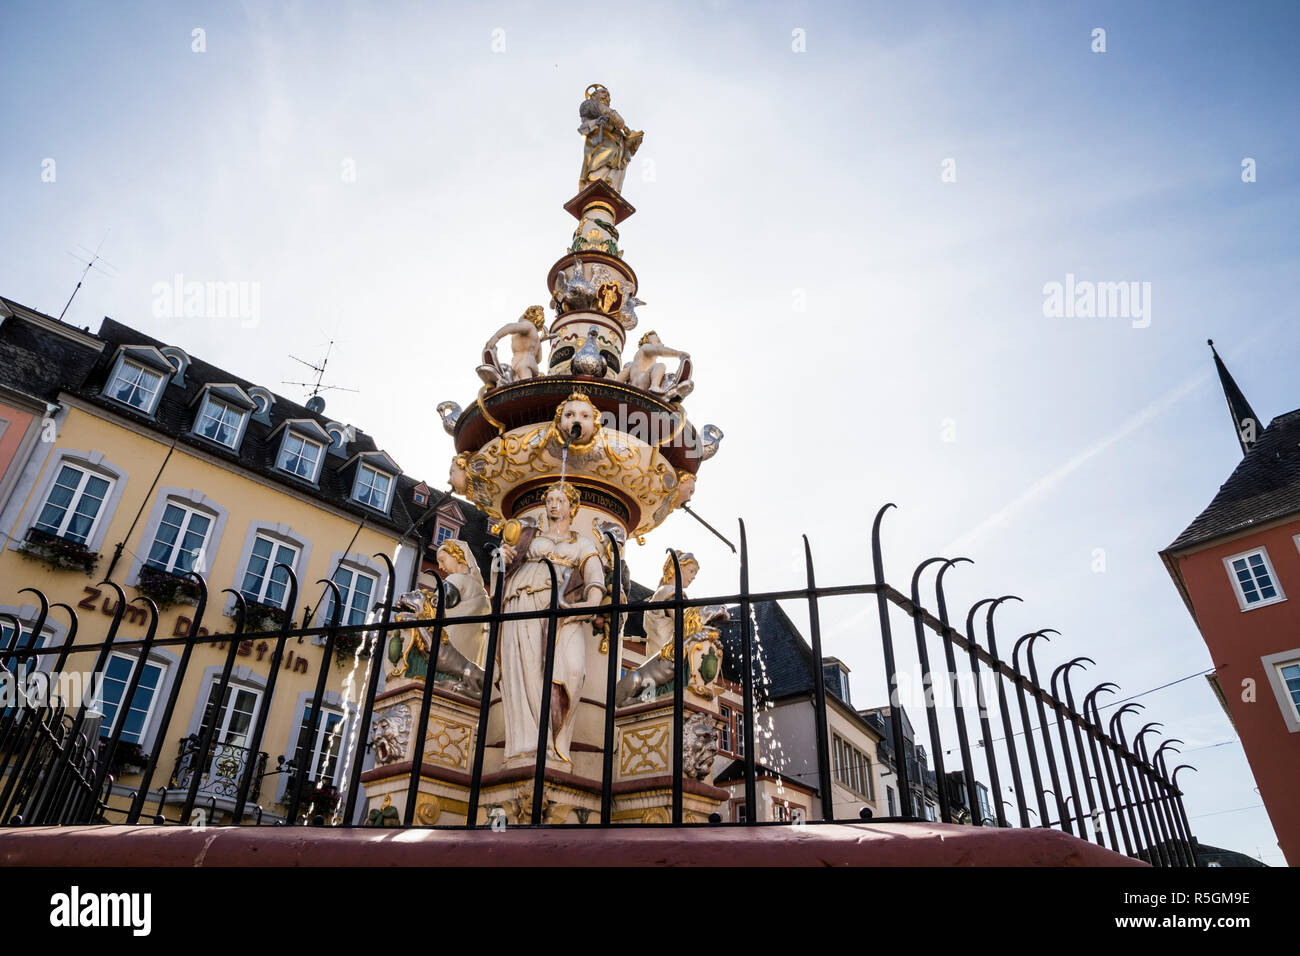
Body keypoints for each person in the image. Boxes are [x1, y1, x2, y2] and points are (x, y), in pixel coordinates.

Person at [496, 482, 606, 766]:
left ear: (572, 507)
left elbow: (595, 580)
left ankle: (556, 745)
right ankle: (526, 745)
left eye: (560, 500)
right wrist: (502, 558)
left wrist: (590, 604)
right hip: (521, 602)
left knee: (573, 669)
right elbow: (504, 567)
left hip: (562, 609)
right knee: (525, 669)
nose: (553, 504)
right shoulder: (530, 538)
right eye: (549, 499)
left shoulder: (583, 543)